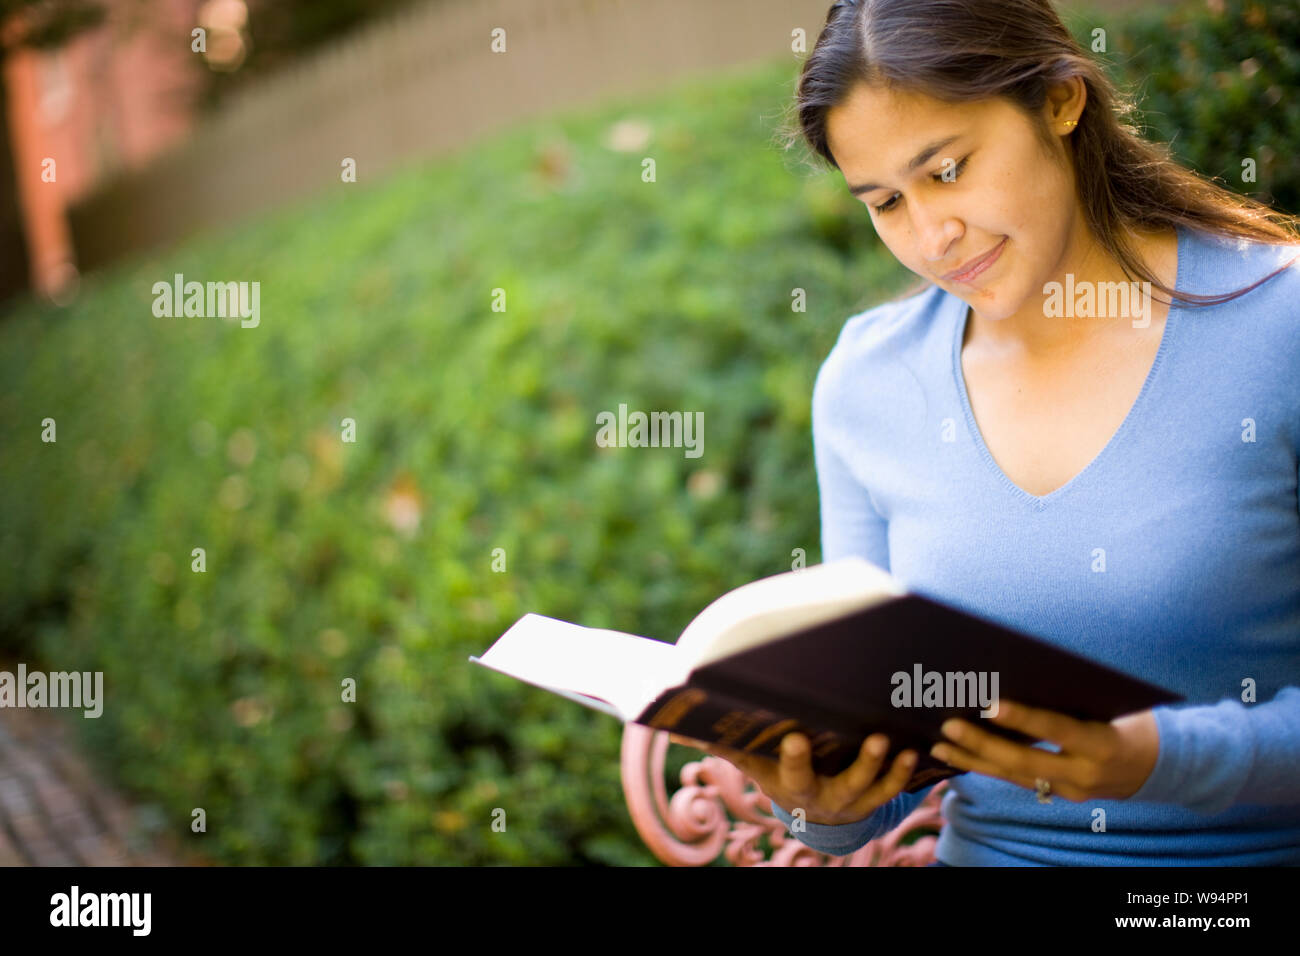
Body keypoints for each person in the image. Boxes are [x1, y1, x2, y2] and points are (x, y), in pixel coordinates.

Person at [673, 0, 1300, 865]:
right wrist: (821, 801)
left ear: (1060, 102)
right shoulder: (869, 383)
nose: (933, 236)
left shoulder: (1279, 323)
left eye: (949, 170)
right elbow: (882, 758)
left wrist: (1158, 760)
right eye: (886, 201)